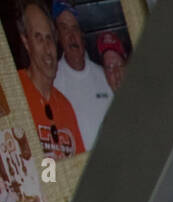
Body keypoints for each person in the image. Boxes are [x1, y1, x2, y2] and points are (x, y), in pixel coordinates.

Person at [15, 0, 83, 159]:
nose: (47, 49)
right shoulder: (13, 94)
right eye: (38, 38)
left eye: (49, 38)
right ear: (26, 42)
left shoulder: (65, 106)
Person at [50, 0, 111, 148]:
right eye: (64, 29)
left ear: (82, 35)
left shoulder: (105, 76)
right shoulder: (52, 82)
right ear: (57, 37)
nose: (71, 36)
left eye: (75, 28)